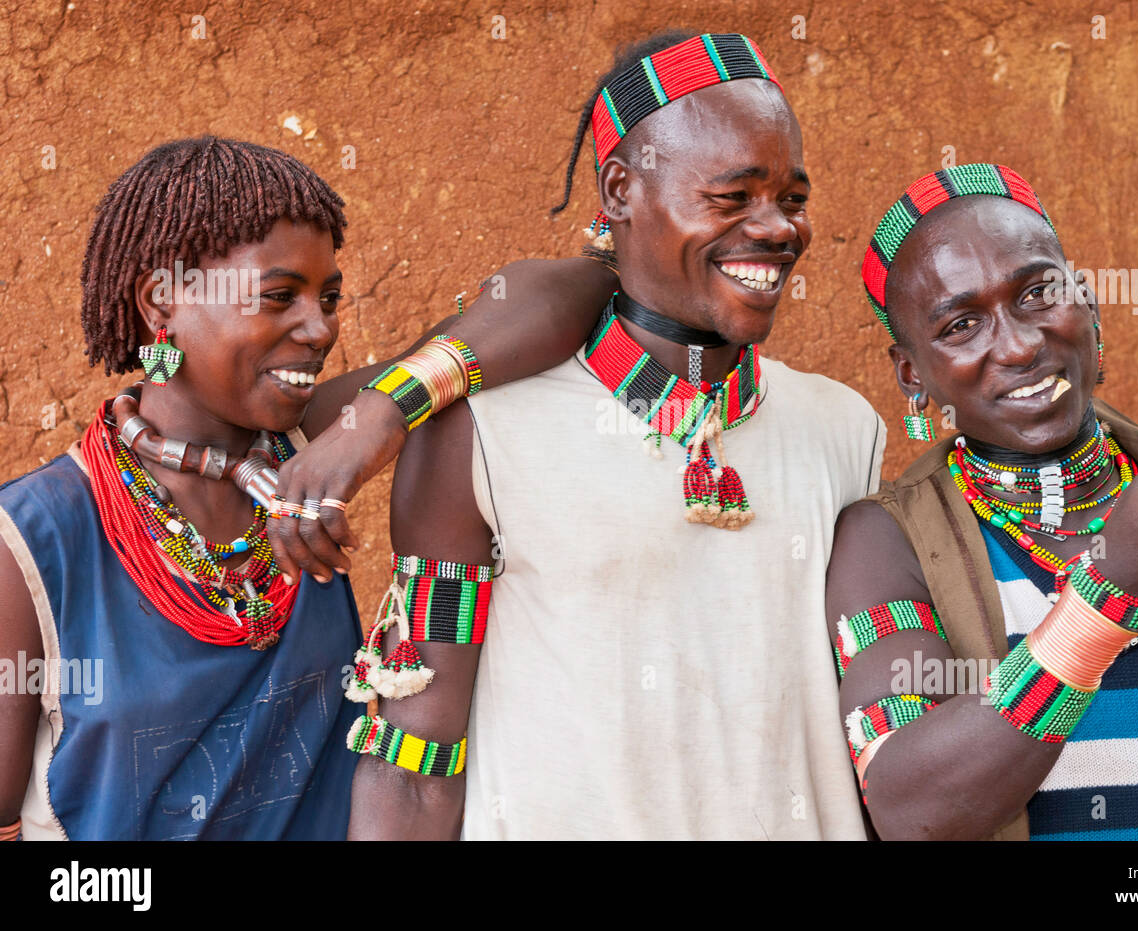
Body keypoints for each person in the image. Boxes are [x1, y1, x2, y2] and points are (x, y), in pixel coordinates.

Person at [345, 31, 887, 840]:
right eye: (733, 198)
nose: (777, 229)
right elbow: (415, 767)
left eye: (793, 200)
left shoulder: (847, 432)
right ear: (620, 189)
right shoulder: (484, 431)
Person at [0, 136, 616, 839]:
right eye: (279, 297)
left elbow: (575, 291)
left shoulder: (311, 448)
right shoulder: (32, 541)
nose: (320, 328)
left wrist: (382, 414)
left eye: (328, 298)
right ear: (159, 302)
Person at [827, 163, 1138, 840]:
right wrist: (1112, 590)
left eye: (1039, 292)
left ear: (1090, 306)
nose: (1019, 345)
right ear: (912, 375)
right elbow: (910, 805)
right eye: (961, 325)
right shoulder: (885, 541)